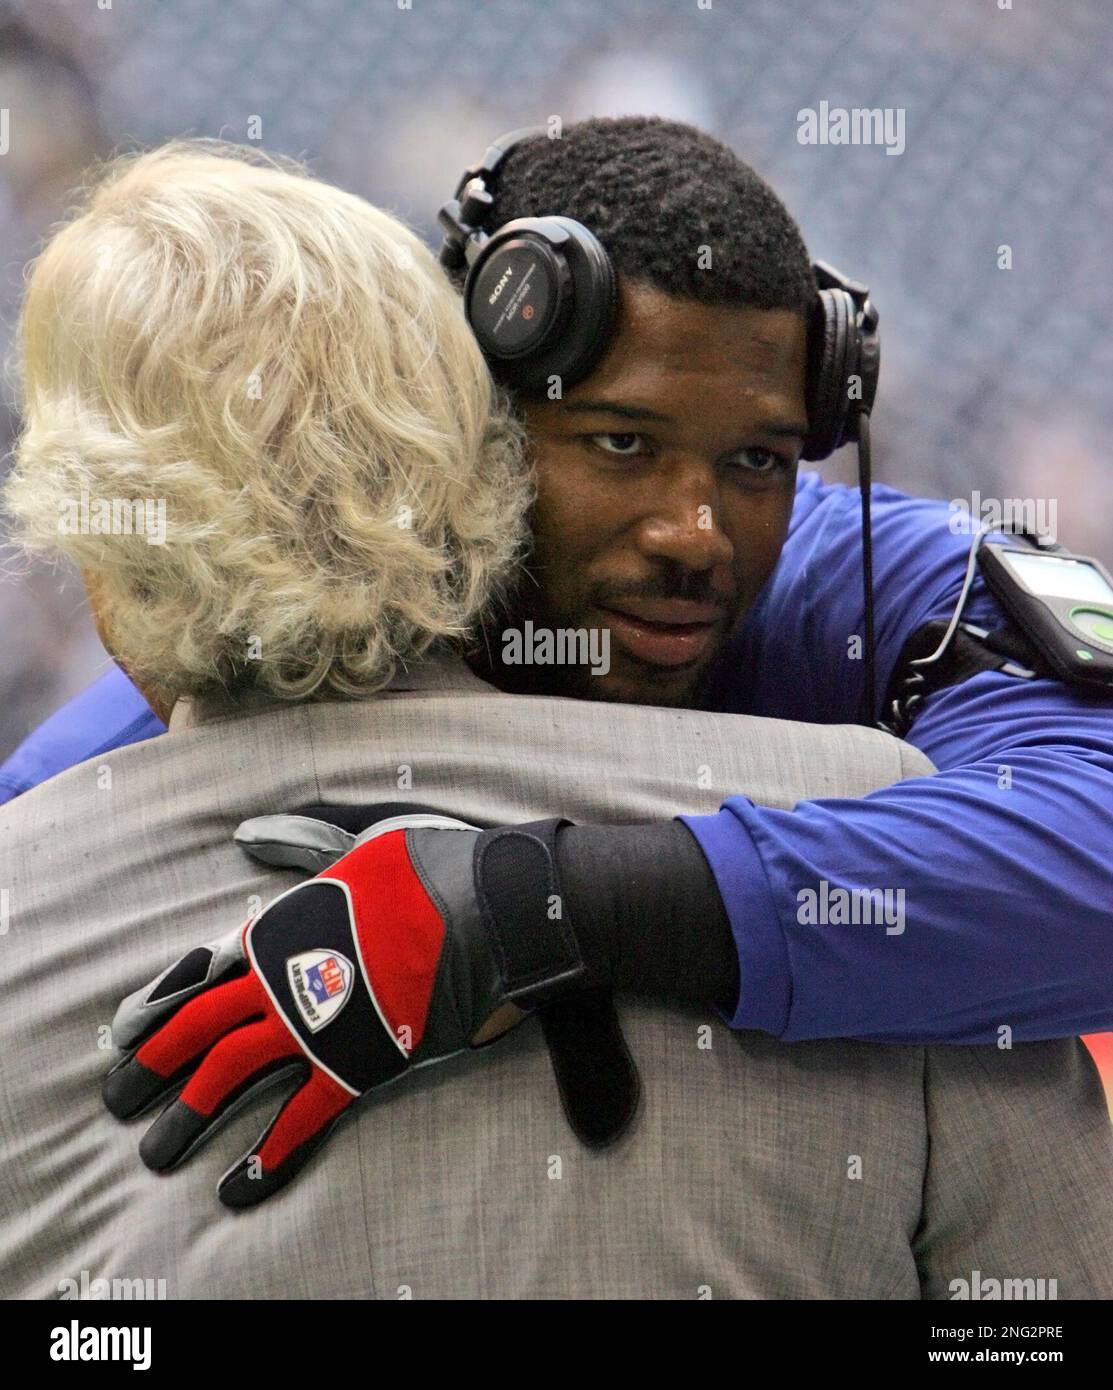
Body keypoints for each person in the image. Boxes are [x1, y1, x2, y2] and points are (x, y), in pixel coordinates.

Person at [3, 138, 1110, 1299]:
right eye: (621, 443)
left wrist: (544, 904)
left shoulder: (853, 589)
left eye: (758, 460)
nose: (697, 530)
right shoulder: (134, 740)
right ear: (465, 414)